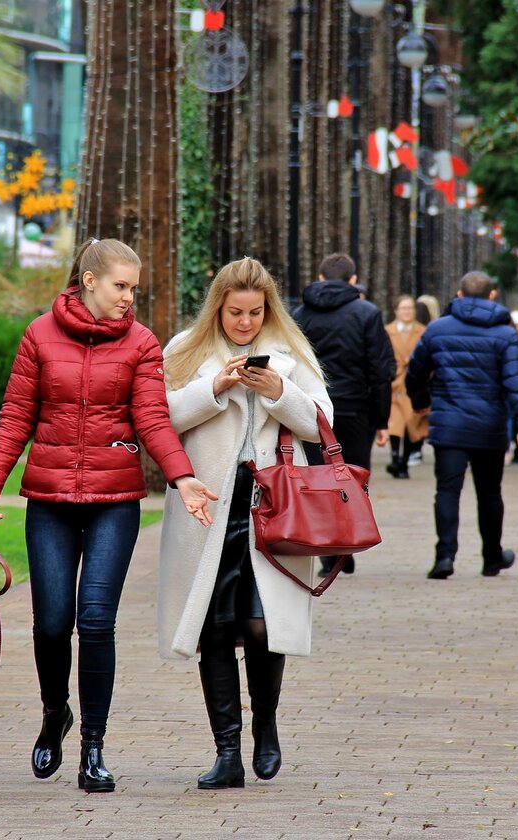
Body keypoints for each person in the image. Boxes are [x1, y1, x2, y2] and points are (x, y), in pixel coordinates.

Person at [0, 238, 218, 794]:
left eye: (134, 288)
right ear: (88, 281)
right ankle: (54, 713)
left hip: (114, 504)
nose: (130, 298)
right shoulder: (38, 335)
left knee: (97, 621)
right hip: (50, 504)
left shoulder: (142, 343)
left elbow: (153, 419)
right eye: (121, 286)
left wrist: (181, 478)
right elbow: (16, 416)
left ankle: (94, 749)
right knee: (53, 623)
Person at [158, 257, 331, 789]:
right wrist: (215, 386)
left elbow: (322, 424)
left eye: (255, 312)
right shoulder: (186, 350)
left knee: (262, 625)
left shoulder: (293, 353)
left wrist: (277, 389)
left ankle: (267, 726)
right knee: (214, 628)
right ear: (218, 307)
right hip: (207, 506)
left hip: (273, 505)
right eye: (235, 312)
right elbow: (160, 419)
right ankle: (226, 751)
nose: (245, 323)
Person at [406, 270, 518, 580]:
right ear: (492, 295)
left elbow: (415, 371)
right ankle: (492, 556)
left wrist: (420, 400)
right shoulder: (505, 334)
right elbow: (516, 383)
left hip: (448, 424)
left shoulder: (437, 330)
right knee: (490, 493)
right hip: (489, 425)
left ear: (459, 295)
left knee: (447, 491)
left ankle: (445, 556)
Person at [293, 252, 395, 574]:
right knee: (350, 478)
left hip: (313, 410)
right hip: (354, 409)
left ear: (321, 278)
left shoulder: (299, 314)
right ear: (353, 280)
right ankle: (345, 542)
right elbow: (380, 370)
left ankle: (329, 549)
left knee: (318, 476)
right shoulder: (367, 313)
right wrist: (382, 420)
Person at [385, 295, 427, 478]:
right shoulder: (388, 331)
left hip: (413, 382)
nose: (407, 311)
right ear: (396, 310)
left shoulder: (423, 331)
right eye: (403, 308)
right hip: (393, 383)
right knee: (395, 422)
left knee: (411, 422)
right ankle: (395, 457)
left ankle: (404, 461)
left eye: (410, 308)